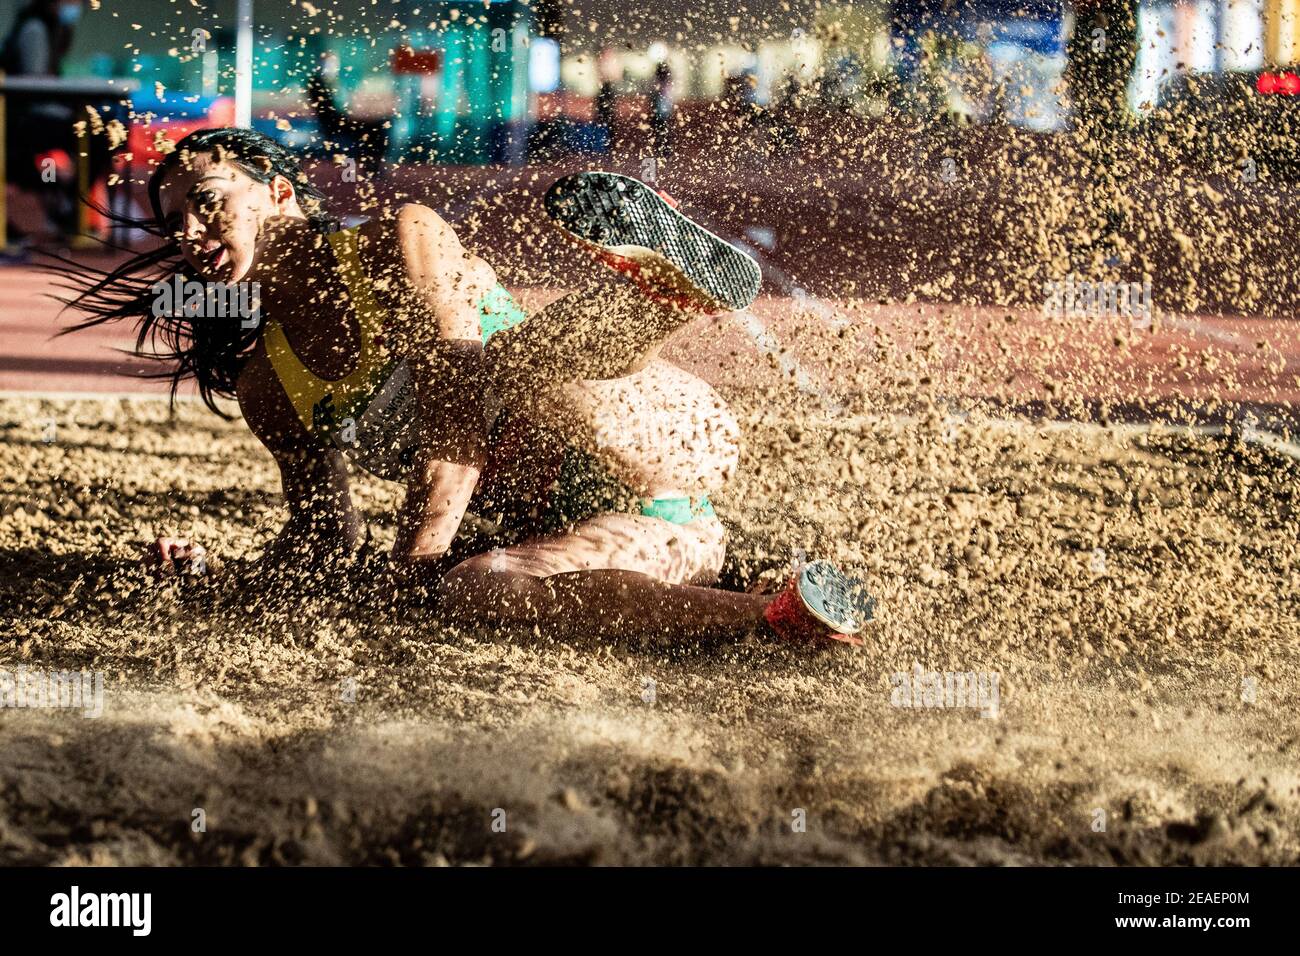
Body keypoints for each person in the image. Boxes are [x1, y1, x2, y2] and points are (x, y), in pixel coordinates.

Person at [62, 127, 874, 645]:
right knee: (476, 589)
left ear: (277, 192)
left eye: (206, 204)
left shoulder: (401, 239)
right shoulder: (268, 385)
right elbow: (321, 543)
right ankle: (782, 616)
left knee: (496, 367)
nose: (190, 236)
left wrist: (412, 566)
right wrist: (218, 575)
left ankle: (655, 296)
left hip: (661, 428)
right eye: (174, 225)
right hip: (653, 535)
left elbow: (454, 419)